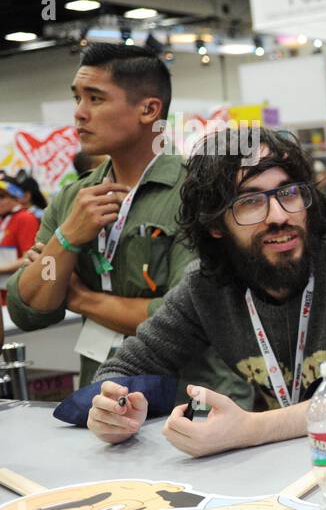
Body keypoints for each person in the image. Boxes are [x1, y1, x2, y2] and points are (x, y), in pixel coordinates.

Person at [81, 127, 326, 458]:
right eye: (250, 201)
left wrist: (249, 430)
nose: (279, 215)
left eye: (288, 193)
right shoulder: (207, 285)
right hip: (287, 472)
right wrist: (114, 410)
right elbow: (123, 370)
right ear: (214, 224)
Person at [4, 44, 234, 394]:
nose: (79, 113)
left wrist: (79, 298)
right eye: (77, 98)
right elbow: (30, 309)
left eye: (95, 99)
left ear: (148, 109)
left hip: (192, 402)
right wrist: (67, 238)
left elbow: (183, 316)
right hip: (100, 400)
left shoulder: (198, 194)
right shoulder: (72, 200)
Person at [0, 175, 41, 297]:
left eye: (1, 197)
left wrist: (1, 269)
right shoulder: (5, 218)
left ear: (17, 198)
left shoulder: (25, 218)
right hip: (4, 288)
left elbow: (29, 257)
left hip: (18, 291)